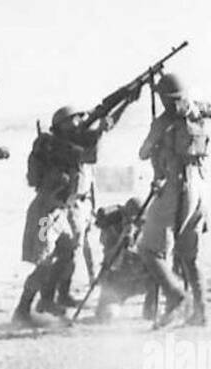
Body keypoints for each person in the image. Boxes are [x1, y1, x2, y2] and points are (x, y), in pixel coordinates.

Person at [14, 100, 132, 324]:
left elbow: (94, 138)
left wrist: (124, 104)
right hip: (45, 216)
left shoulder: (69, 143)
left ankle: (48, 299)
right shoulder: (56, 146)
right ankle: (22, 308)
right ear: (62, 126)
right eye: (75, 120)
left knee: (68, 253)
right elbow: (88, 154)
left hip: (61, 213)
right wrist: (100, 132)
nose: (80, 123)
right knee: (44, 261)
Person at [137, 72, 211, 327]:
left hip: (176, 187)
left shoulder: (164, 121)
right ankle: (201, 312)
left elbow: (143, 152)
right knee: (188, 255)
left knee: (149, 249)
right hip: (200, 186)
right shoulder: (198, 116)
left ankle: (177, 297)